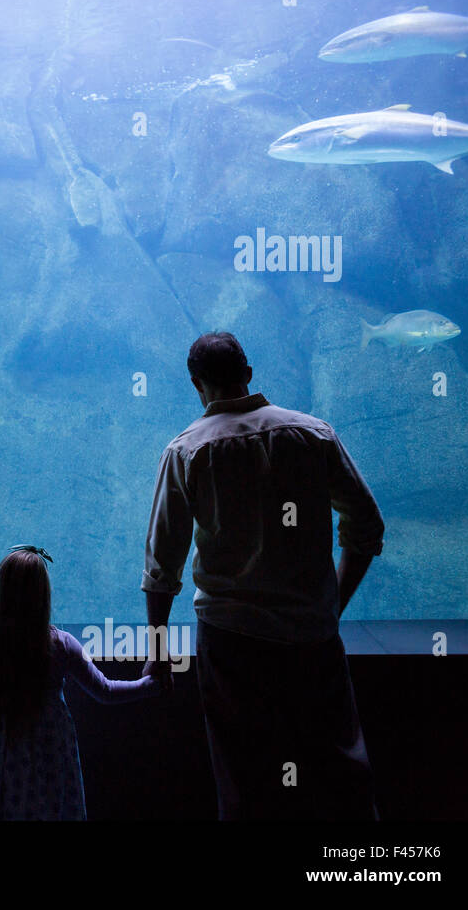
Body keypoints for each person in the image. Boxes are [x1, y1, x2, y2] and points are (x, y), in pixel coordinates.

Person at [142, 332, 385, 819]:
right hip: (312, 635)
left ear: (196, 384)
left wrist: (158, 651)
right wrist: (332, 603)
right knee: (339, 768)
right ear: (249, 373)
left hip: (231, 642)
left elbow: (161, 566)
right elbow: (366, 526)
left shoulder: (187, 452)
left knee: (243, 774)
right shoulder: (313, 434)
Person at [0, 546, 159, 820]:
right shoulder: (62, 644)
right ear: (43, 595)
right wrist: (149, 684)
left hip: (1, 751)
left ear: (0, 594)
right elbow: (105, 690)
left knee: (2, 807)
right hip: (52, 749)